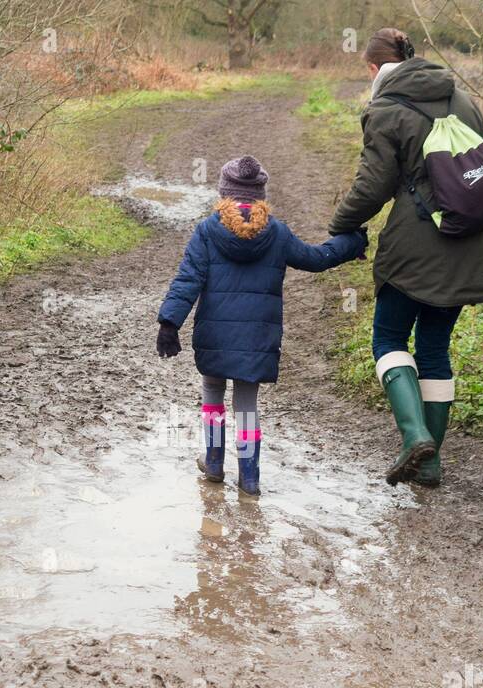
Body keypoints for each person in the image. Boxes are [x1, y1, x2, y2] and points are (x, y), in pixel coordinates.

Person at [329, 27, 483, 487]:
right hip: (471, 244)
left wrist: (339, 226)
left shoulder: (386, 110)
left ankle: (414, 436)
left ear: (373, 68)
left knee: (387, 339)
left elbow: (372, 186)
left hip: (416, 250)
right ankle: (429, 463)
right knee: (434, 348)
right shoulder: (462, 100)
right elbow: (480, 171)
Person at [156, 155, 365, 496]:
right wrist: (352, 242)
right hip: (257, 338)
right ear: (261, 195)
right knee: (247, 405)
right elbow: (315, 258)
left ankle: (212, 463)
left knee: (212, 393)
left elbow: (187, 279)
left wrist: (169, 323)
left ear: (224, 193)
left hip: (215, 334)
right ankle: (249, 479)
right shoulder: (277, 233)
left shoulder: (208, 231)